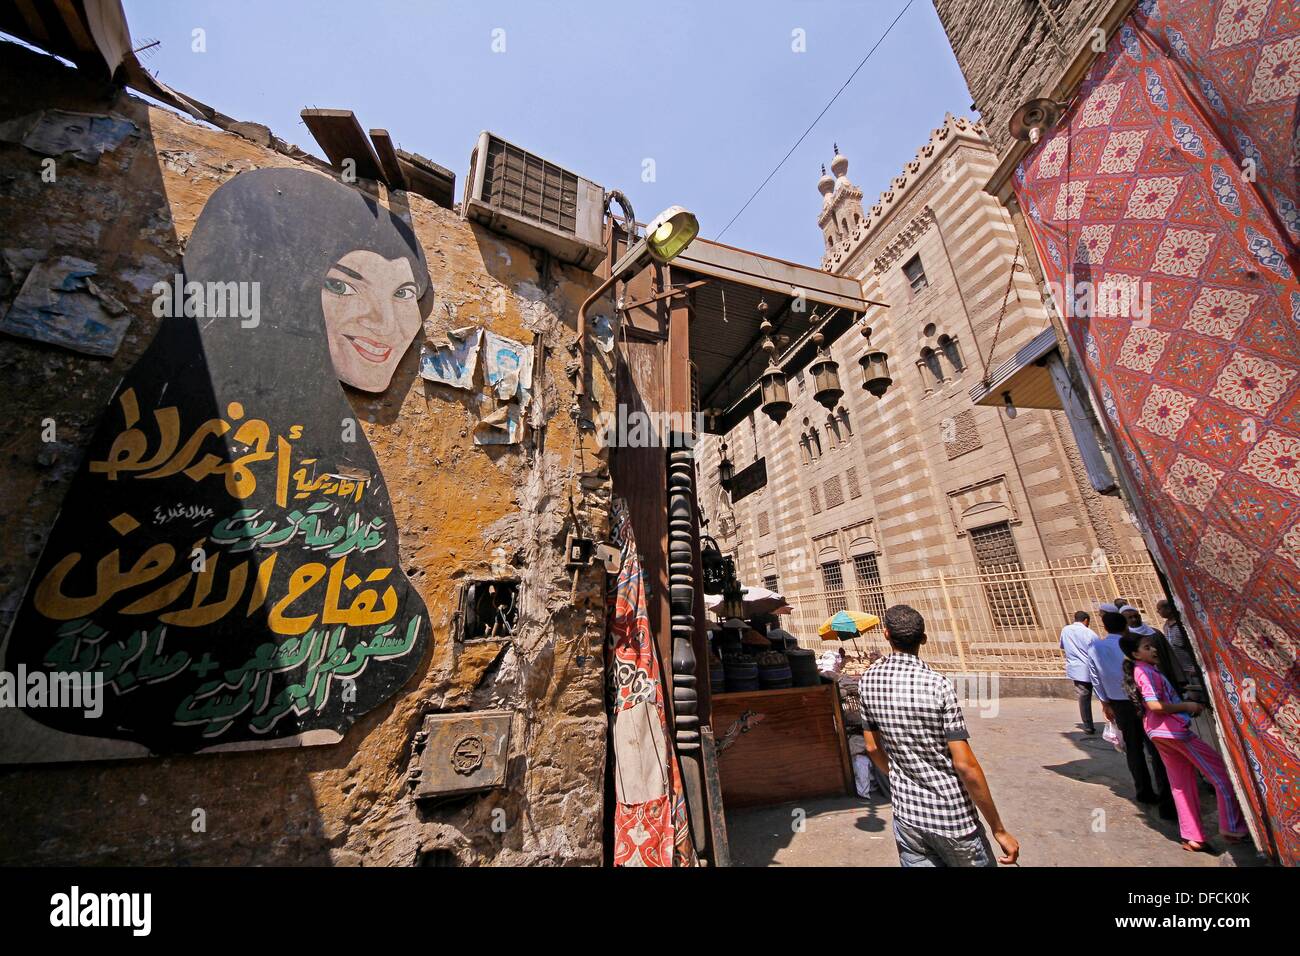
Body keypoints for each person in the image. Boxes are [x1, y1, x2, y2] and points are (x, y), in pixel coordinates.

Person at [859, 605, 1019, 867]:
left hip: (907, 817)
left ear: (886, 634)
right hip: (952, 818)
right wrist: (998, 828)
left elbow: (873, 748)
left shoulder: (869, 681)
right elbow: (965, 765)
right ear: (923, 638)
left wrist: (901, 775)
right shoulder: (937, 684)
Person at [1119, 632, 1248, 853]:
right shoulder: (1145, 672)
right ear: (1135, 654)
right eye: (1147, 647)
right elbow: (1155, 705)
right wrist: (1187, 707)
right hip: (1173, 732)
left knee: (1180, 785)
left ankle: (1192, 836)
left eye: (1152, 646)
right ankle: (1233, 828)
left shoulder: (1145, 670)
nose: (1153, 650)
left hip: (1158, 733)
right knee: (1221, 775)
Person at [1088, 604, 1176, 819]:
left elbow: (1095, 676)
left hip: (1119, 703)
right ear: (1125, 624)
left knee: (1133, 747)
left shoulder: (1096, 647)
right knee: (1156, 747)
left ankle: (1143, 790)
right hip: (1145, 701)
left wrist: (1105, 702)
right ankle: (1167, 797)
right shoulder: (1133, 645)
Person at [1059, 611, 1098, 734]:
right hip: (1092, 667)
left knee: (1083, 697)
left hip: (1077, 669)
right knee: (1105, 697)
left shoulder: (1065, 630)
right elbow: (1098, 650)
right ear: (1086, 620)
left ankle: (1088, 725)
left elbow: (1062, 646)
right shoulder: (1089, 633)